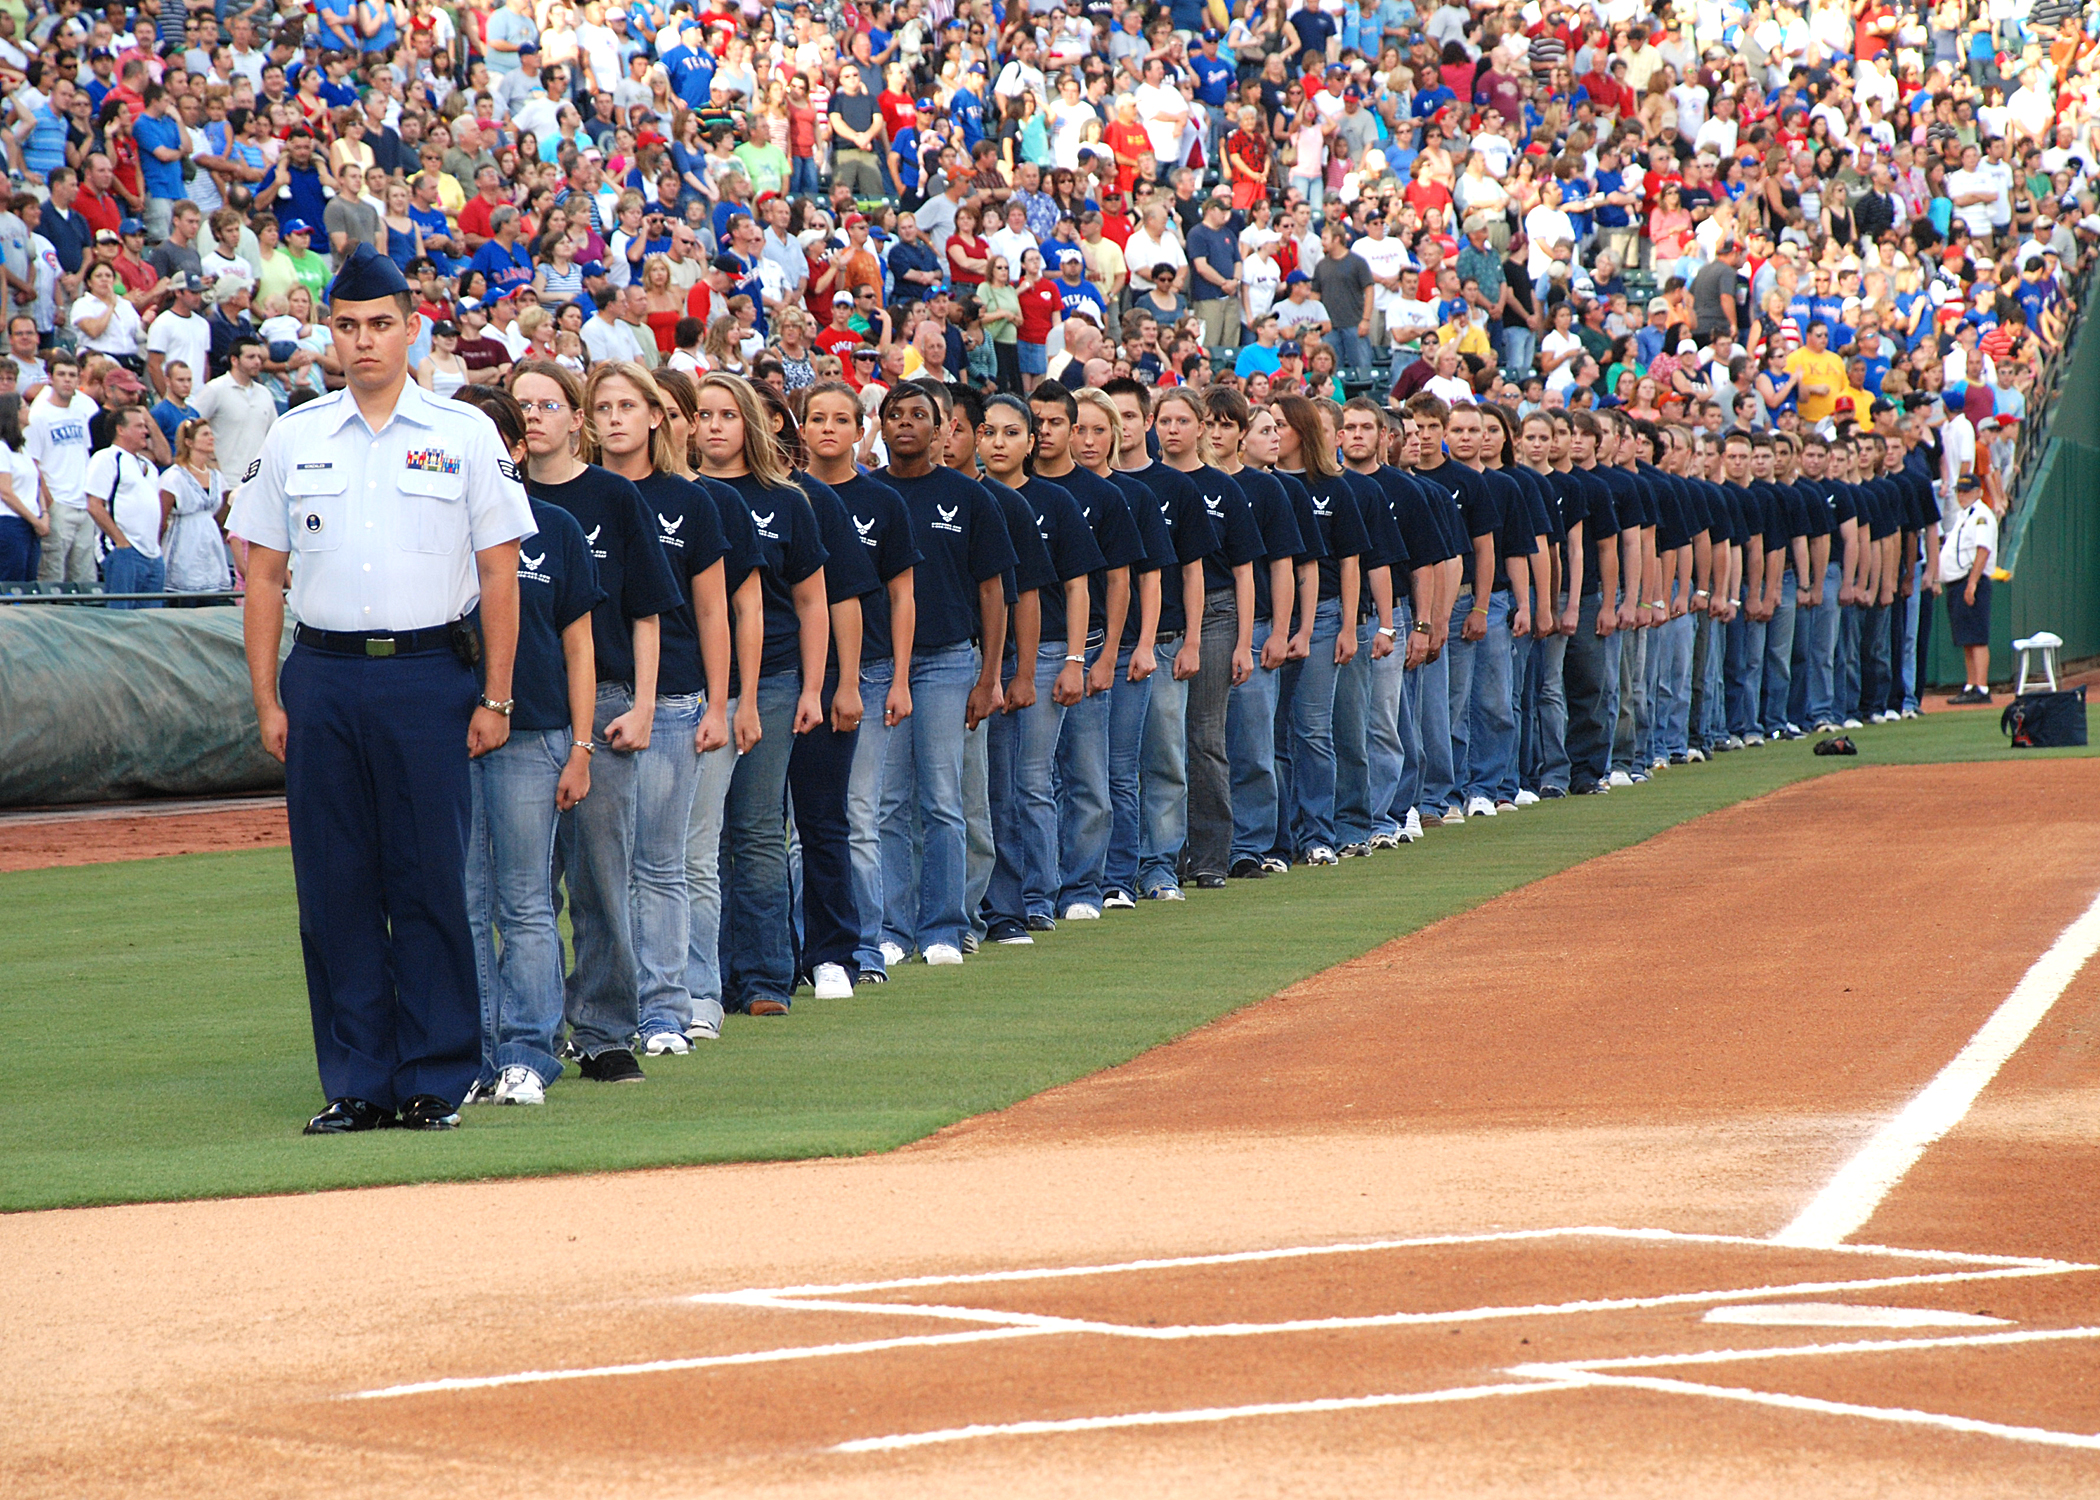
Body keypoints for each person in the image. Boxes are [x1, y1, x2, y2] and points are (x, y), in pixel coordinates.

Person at [227, 243, 535, 1134]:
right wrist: (268, 699)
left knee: (431, 880)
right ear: (331, 333)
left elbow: (501, 575)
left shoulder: (463, 433)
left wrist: (498, 696)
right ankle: (358, 1081)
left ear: (412, 328)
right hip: (321, 675)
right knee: (334, 887)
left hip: (430, 673)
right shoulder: (295, 435)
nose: (364, 341)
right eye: (348, 326)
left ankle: (437, 1077)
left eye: (380, 325)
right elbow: (264, 577)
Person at [510, 357, 683, 1078]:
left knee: (602, 879)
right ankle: (530, 1033)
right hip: (519, 712)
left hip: (607, 700)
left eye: (548, 403)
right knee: (520, 888)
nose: (534, 416)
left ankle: (606, 1031)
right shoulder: (496, 497)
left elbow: (646, 610)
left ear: (576, 418)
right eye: (521, 405)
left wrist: (643, 705)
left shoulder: (612, 495)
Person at [581, 360, 743, 1051]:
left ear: (656, 416)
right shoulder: (567, 496)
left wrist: (717, 703)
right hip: (583, 700)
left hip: (675, 697)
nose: (615, 417)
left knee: (662, 862)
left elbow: (714, 611)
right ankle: (602, 1013)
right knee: (594, 871)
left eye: (628, 405)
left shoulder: (690, 500)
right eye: (603, 406)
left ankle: (665, 1010)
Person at [451, 384, 598, 1106]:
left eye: (489, 435)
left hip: (534, 735)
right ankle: (473, 1054)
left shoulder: (558, 528)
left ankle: (528, 1053)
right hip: (446, 737)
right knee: (463, 901)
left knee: (527, 901)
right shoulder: (429, 527)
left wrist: (581, 746)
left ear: (514, 449)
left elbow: (579, 647)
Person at [696, 371, 830, 1012]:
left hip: (770, 682)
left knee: (753, 830)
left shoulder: (788, 501)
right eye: (703, 413)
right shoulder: (676, 496)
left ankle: (765, 976)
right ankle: (706, 979)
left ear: (749, 421)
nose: (714, 425)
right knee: (699, 841)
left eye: (726, 414)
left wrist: (813, 686)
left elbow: (811, 601)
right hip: (686, 685)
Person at [876, 379, 1015, 964]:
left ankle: (943, 927)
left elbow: (994, 592)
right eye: (893, 414)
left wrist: (989, 676)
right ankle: (889, 929)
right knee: (884, 805)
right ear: (879, 427)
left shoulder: (971, 497)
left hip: (949, 660)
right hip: (877, 664)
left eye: (918, 415)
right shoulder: (865, 494)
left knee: (942, 801)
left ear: (942, 429)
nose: (905, 423)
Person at [800, 380, 919, 987]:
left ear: (858, 429)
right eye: (815, 417)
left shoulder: (882, 502)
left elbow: (902, 595)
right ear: (800, 429)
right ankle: (800, 950)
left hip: (864, 672)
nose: (827, 428)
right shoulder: (788, 495)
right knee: (794, 829)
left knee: (857, 816)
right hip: (796, 675)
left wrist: (897, 676)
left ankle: (863, 949)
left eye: (839, 419)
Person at [83, 404, 166, 606]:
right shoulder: (107, 458)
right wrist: (121, 542)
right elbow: (94, 505)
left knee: (153, 622)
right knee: (120, 618)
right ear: (120, 430)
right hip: (125, 552)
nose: (145, 432)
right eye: (139, 426)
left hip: (152, 554)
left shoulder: (149, 467)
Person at [28, 352, 98, 584]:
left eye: (72, 375)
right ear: (50, 378)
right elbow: (34, 464)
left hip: (83, 503)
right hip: (59, 503)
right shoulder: (38, 416)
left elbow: (84, 454)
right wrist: (49, 504)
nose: (67, 380)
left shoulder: (80, 412)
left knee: (84, 577)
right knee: (53, 575)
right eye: (61, 375)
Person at [159, 418, 232, 593]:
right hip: (185, 538)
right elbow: (161, 516)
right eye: (205, 434)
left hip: (210, 540)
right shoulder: (175, 477)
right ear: (189, 442)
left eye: (211, 434)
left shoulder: (216, 477)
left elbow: (223, 513)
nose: (211, 438)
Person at [1939, 474, 1995, 704]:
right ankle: (1971, 684)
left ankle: (1981, 687)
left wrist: (1972, 583)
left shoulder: (1981, 515)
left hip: (1971, 580)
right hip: (1958, 581)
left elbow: (1983, 550)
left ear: (1978, 492)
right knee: (1967, 638)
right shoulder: (1965, 516)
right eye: (1959, 491)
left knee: (1977, 637)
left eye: (1966, 491)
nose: (1962, 495)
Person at [0, 400, 45, 582]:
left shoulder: (22, 449)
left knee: (29, 579)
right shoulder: (2, 449)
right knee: (12, 579)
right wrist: (35, 520)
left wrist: (45, 513)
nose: (29, 410)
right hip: (11, 522)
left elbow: (37, 483)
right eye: (25, 406)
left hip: (30, 523)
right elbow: (6, 491)